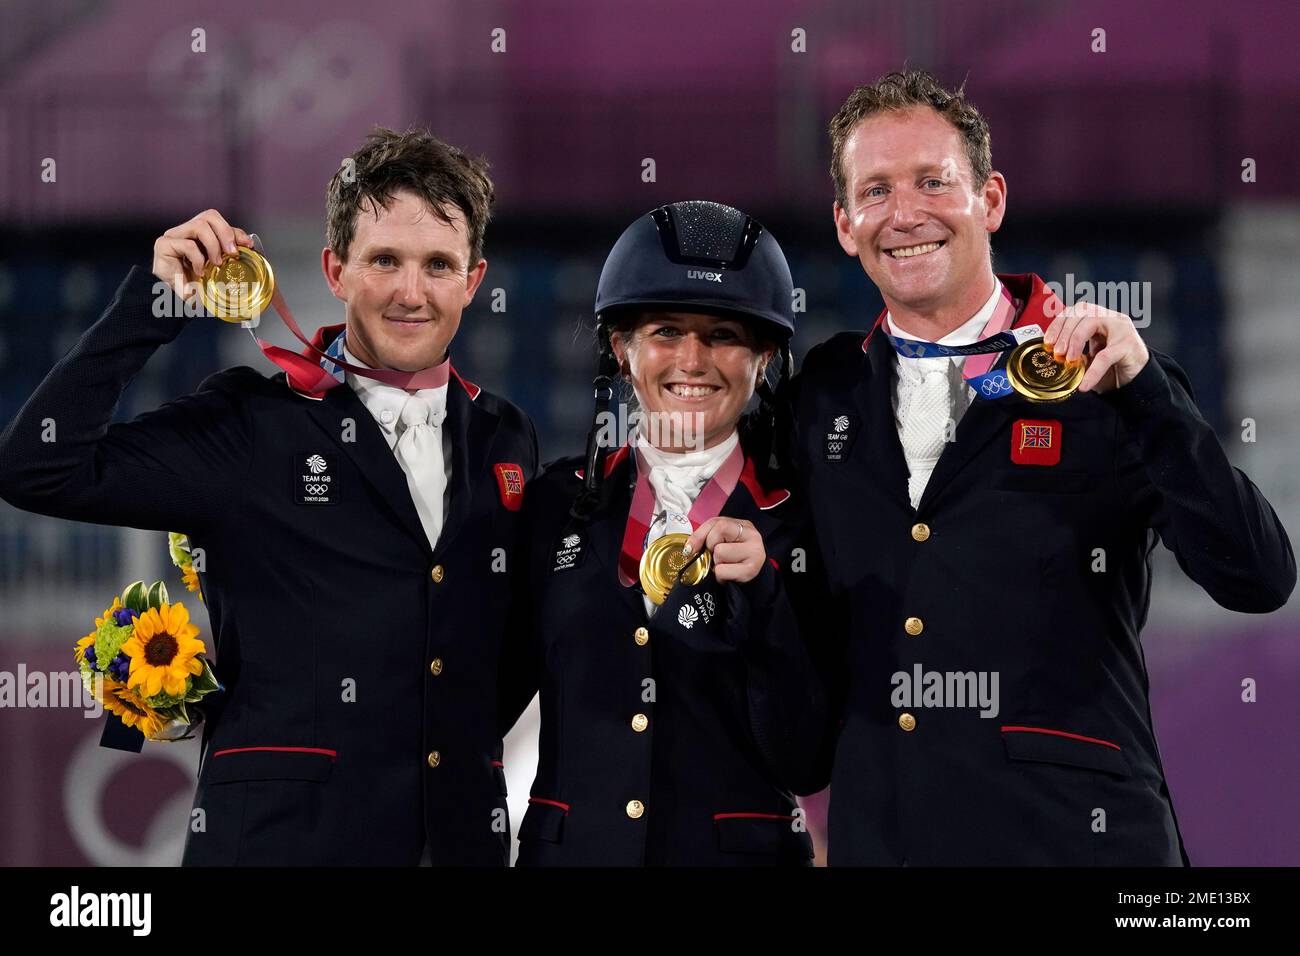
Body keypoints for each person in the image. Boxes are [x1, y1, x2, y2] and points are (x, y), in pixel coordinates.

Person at [792, 70, 1296, 865]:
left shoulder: (1108, 380)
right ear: (846, 225)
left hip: (1075, 841)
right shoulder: (820, 396)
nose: (906, 214)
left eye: (933, 181)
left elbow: (1259, 577)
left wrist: (1150, 399)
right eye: (876, 190)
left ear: (990, 199)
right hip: (886, 840)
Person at [0, 127, 539, 866]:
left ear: (473, 281)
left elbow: (495, 656)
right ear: (336, 269)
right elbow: (37, 465)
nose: (412, 292)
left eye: (438, 265)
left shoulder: (505, 439)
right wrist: (152, 304)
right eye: (384, 260)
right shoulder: (249, 426)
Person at [500, 201, 834, 866]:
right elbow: (476, 705)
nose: (692, 359)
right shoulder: (552, 507)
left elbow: (807, 760)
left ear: (764, 357)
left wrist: (766, 602)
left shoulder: (807, 522)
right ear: (622, 350)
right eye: (666, 330)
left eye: (722, 334)